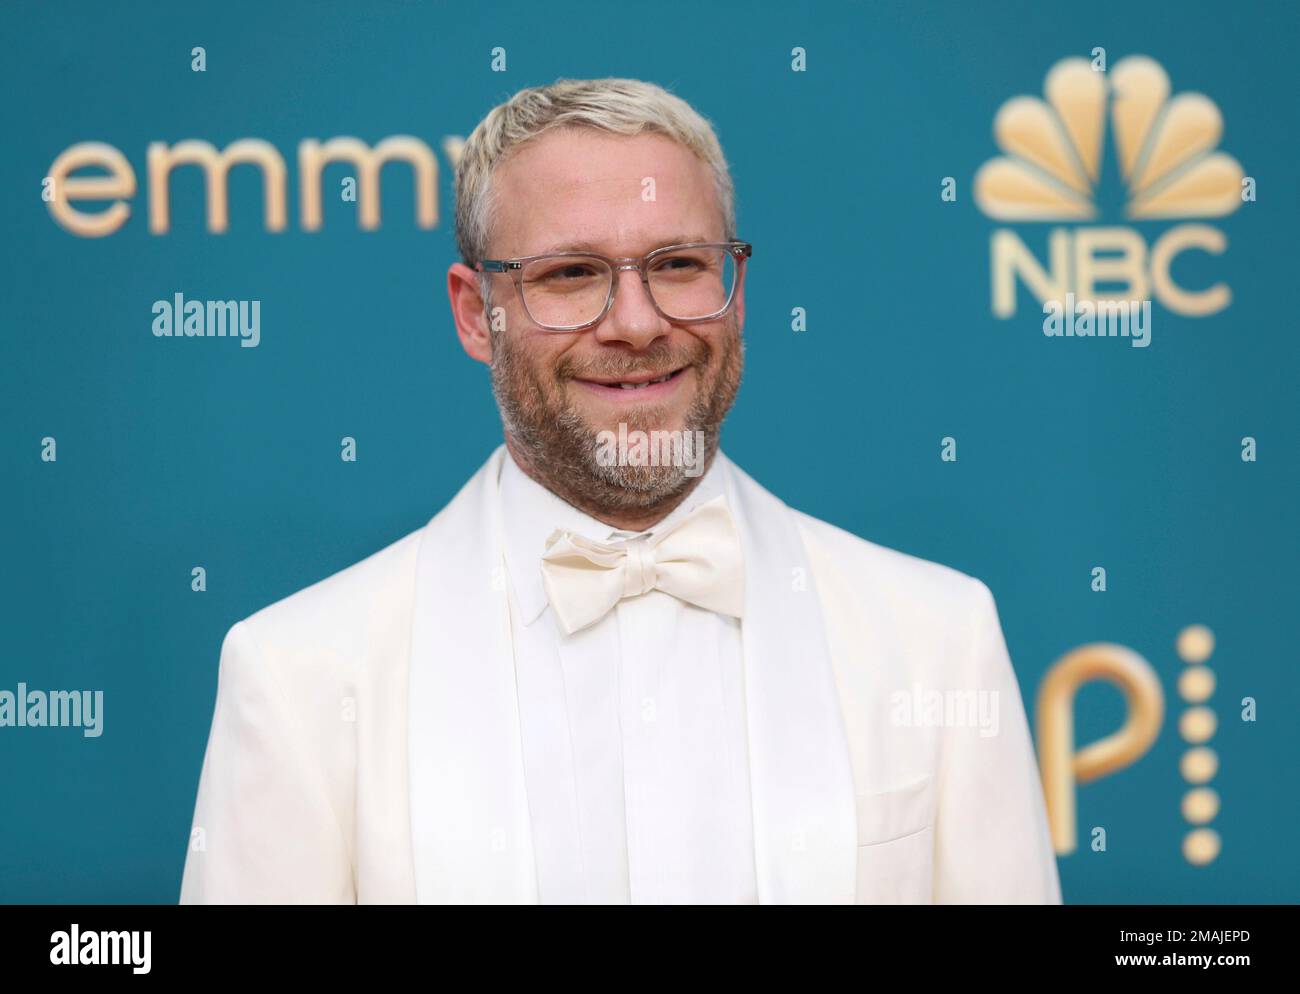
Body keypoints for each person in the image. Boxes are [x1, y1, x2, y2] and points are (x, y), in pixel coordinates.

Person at [179, 77, 1061, 904]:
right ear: (471, 313)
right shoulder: (299, 675)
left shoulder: (940, 637)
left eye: (677, 263)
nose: (637, 324)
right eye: (570, 274)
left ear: (736, 290)